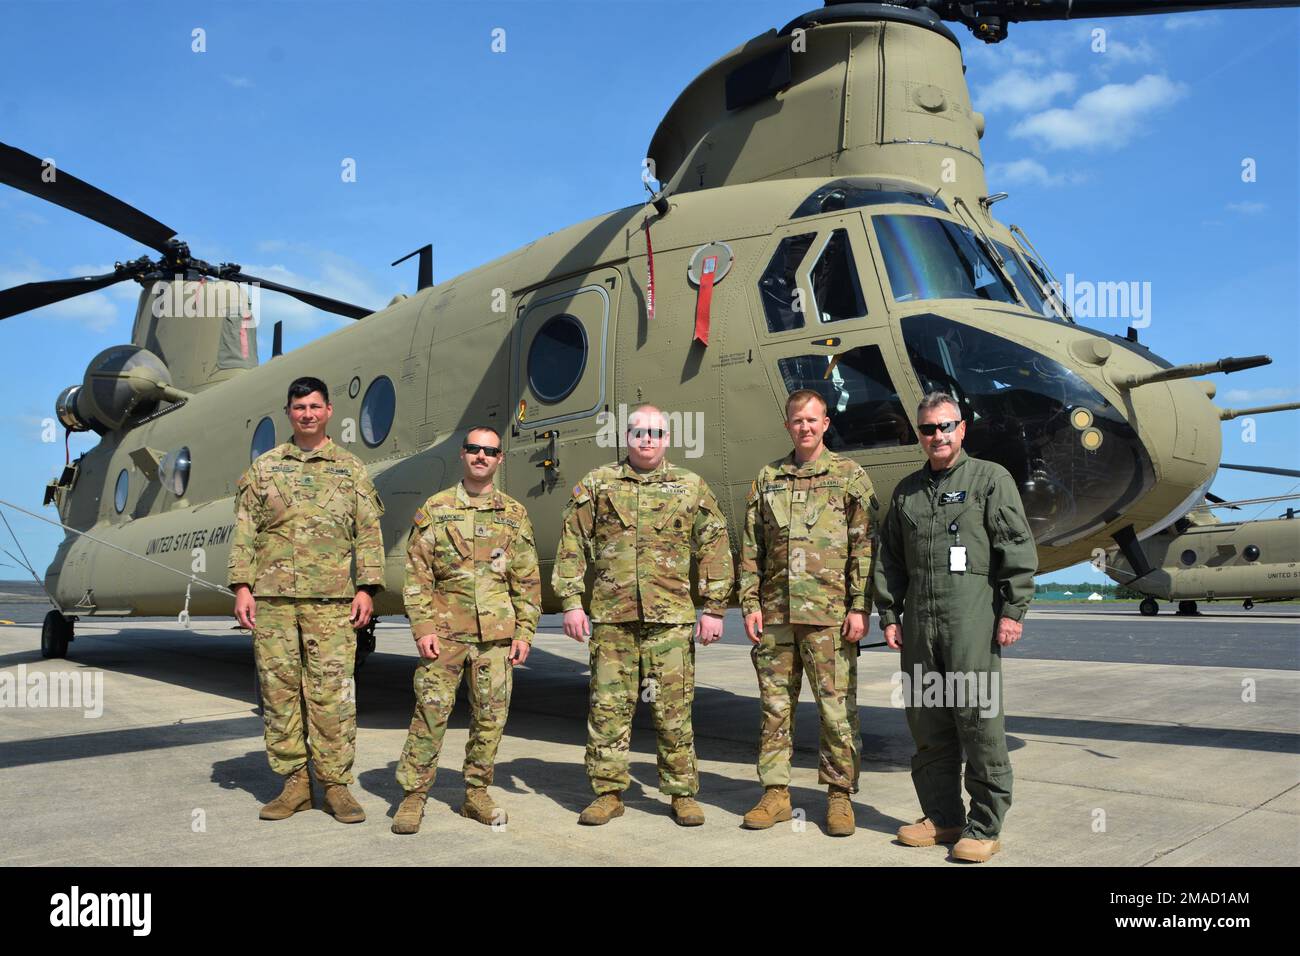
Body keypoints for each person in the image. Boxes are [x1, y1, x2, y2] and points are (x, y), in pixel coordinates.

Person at [873, 391, 1037, 863]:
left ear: (962, 429)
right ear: (919, 435)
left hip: (971, 621)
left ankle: (984, 826)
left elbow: (1016, 548)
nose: (938, 436)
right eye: (928, 429)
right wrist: (890, 615)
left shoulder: (990, 479)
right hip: (920, 625)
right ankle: (942, 816)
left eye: (946, 426)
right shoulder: (906, 492)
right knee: (927, 723)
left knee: (978, 722)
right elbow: (890, 560)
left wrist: (1013, 611)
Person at [554, 405, 733, 827]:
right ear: (627, 437)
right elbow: (572, 540)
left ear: (666, 438)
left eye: (655, 432)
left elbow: (714, 543)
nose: (647, 439)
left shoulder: (690, 486)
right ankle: (608, 793)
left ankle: (682, 793)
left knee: (674, 710)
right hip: (613, 619)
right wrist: (571, 602)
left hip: (670, 622)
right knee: (608, 709)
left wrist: (714, 608)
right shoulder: (599, 483)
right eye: (639, 432)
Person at [229, 376, 386, 824]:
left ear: (329, 411)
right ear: (289, 413)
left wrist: (367, 588)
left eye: (315, 406)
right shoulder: (265, 468)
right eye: (299, 408)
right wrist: (242, 587)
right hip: (273, 600)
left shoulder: (351, 469)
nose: (308, 414)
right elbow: (245, 530)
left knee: (332, 694)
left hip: (332, 601)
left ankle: (335, 785)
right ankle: (295, 784)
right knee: (279, 692)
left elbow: (368, 532)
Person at [739, 389, 877, 837]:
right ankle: (776, 793)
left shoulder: (849, 477)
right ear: (788, 426)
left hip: (829, 617)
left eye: (812, 420)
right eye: (798, 420)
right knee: (775, 709)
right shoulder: (768, 479)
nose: (805, 427)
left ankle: (839, 796)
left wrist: (860, 607)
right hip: (777, 616)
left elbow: (863, 549)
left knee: (837, 710)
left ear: (825, 424)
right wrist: (750, 603)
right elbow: (752, 550)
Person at [391, 426, 540, 834]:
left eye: (489, 451)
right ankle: (413, 795)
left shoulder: (513, 515)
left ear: (499, 459)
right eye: (474, 449)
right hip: (445, 636)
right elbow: (417, 575)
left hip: (496, 639)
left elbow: (527, 579)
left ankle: (476, 792)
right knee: (431, 714)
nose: (480, 456)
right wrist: (423, 627)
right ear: (462, 454)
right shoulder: (436, 510)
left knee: (491, 718)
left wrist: (524, 632)